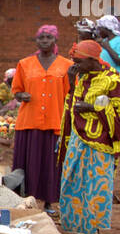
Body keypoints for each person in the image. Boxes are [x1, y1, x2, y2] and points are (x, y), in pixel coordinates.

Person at [58, 40, 120, 234]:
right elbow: (72, 104)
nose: (75, 66)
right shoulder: (81, 77)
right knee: (75, 183)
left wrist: (93, 107)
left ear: (93, 60)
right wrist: (73, 82)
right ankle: (82, 231)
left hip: (100, 143)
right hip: (78, 139)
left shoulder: (112, 80)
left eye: (78, 62)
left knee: (94, 187)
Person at [10, 25, 73, 209]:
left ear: (55, 41)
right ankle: (26, 199)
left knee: (50, 164)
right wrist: (22, 96)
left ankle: (48, 202)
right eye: (41, 38)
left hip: (54, 120)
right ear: (36, 41)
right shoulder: (25, 64)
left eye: (48, 37)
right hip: (29, 121)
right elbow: (16, 90)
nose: (44, 41)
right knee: (29, 163)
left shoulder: (66, 66)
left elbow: (70, 93)